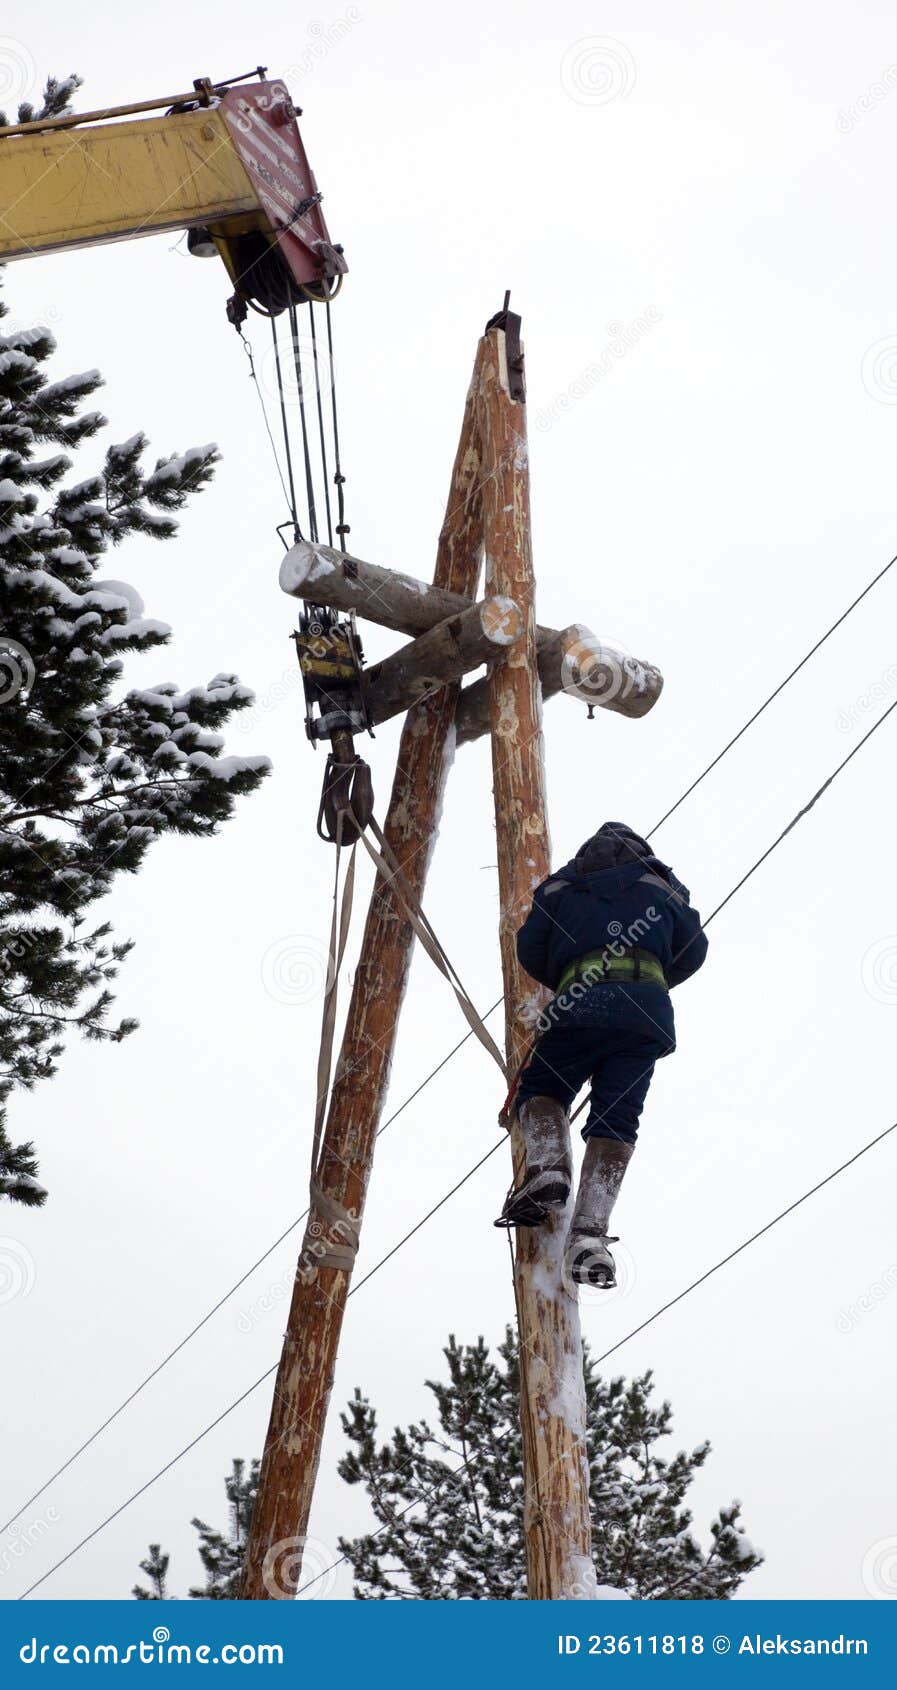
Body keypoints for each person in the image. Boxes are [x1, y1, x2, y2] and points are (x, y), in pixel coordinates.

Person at [497, 821, 708, 1289]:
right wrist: (649, 976)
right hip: (646, 1014)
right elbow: (694, 948)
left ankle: (549, 1171)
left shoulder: (561, 885)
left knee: (543, 1089)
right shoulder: (662, 884)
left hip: (580, 999)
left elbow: (529, 949)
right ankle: (589, 1237)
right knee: (618, 1118)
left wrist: (571, 974)